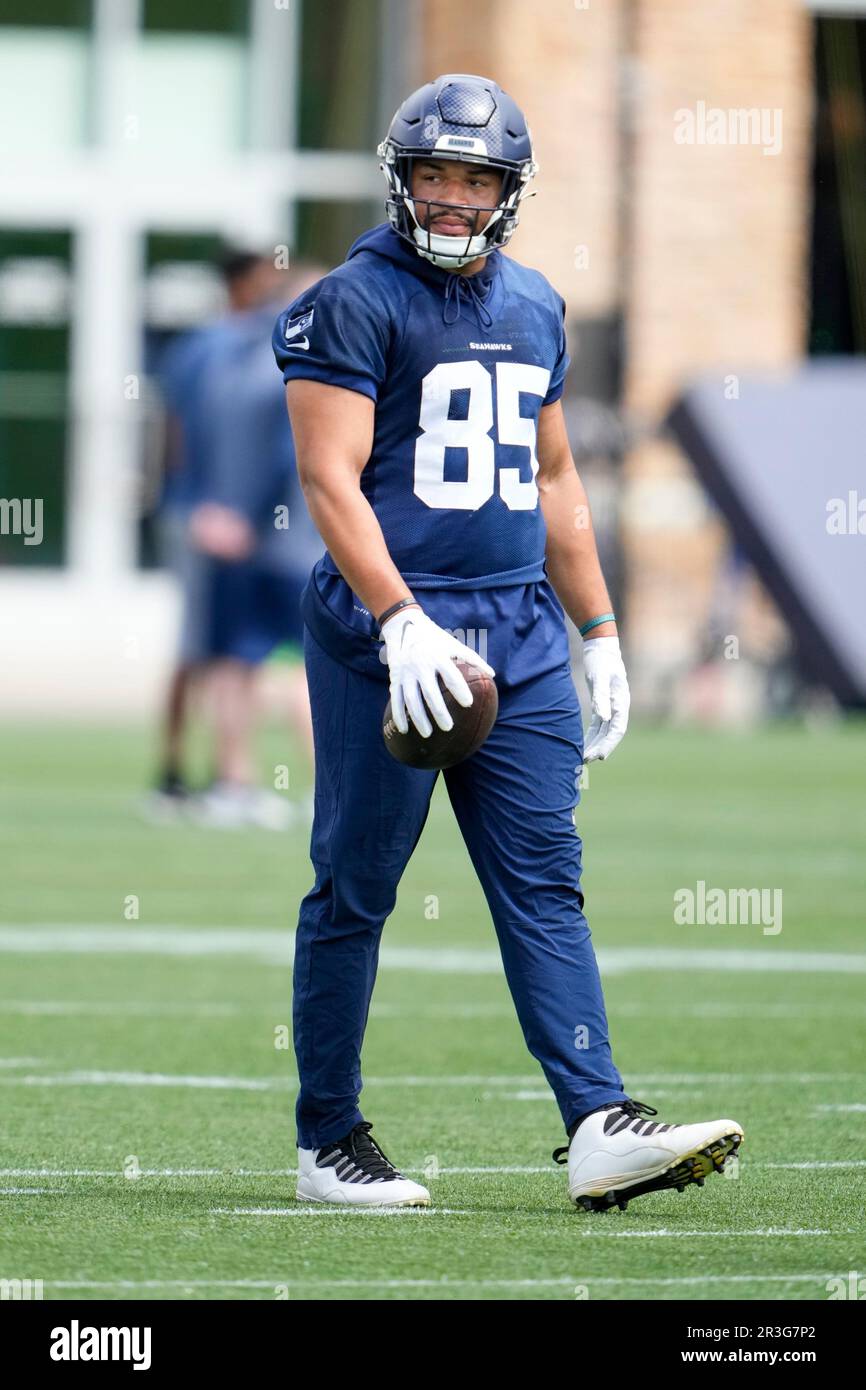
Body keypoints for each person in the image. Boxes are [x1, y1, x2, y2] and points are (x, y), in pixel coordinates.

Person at [273, 75, 743, 1210]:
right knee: (355, 884)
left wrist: (598, 630)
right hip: (388, 621)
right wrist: (398, 623)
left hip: (519, 624)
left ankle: (597, 1120)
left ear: (506, 193)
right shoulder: (354, 298)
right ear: (399, 180)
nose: (448, 197)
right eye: (431, 173)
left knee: (544, 880)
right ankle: (326, 1136)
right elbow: (327, 478)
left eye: (471, 178)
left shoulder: (533, 303)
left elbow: (553, 475)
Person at [151, 251, 322, 828]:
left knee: (228, 657)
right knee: (255, 659)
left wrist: (205, 507)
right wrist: (225, 513)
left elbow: (183, 437)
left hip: (255, 532)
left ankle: (212, 779)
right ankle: (238, 781)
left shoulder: (235, 353)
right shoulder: (247, 356)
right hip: (275, 538)